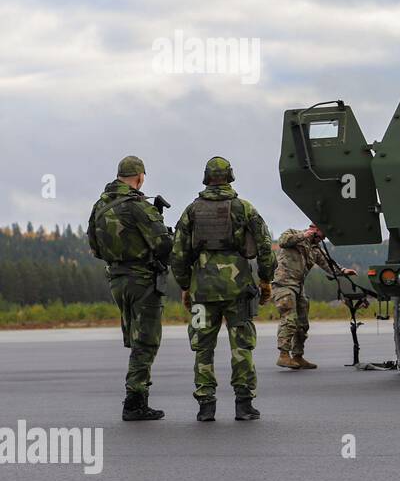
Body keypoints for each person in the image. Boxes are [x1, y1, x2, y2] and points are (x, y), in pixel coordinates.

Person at [170, 157, 274, 421]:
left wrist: (185, 286)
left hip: (201, 292)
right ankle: (244, 404)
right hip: (238, 291)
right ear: (230, 176)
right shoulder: (244, 208)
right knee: (242, 347)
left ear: (206, 177)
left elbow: (178, 254)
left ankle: (206, 405)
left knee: (202, 348)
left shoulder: (191, 211)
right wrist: (265, 280)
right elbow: (265, 245)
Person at [87, 156, 172, 420]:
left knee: (136, 339)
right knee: (146, 341)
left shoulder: (100, 206)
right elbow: (163, 245)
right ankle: (135, 401)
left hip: (116, 279)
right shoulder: (138, 206)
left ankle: (137, 398)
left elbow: (94, 247)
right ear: (139, 177)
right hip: (142, 280)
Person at [272, 224, 357, 370]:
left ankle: (298, 356)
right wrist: (304, 235)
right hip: (284, 284)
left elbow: (328, 265)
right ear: (315, 229)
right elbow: (283, 241)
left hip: (299, 287)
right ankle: (284, 355)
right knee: (289, 318)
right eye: (322, 235)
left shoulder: (315, 249)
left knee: (303, 324)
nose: (323, 238)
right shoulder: (293, 233)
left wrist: (342, 271)